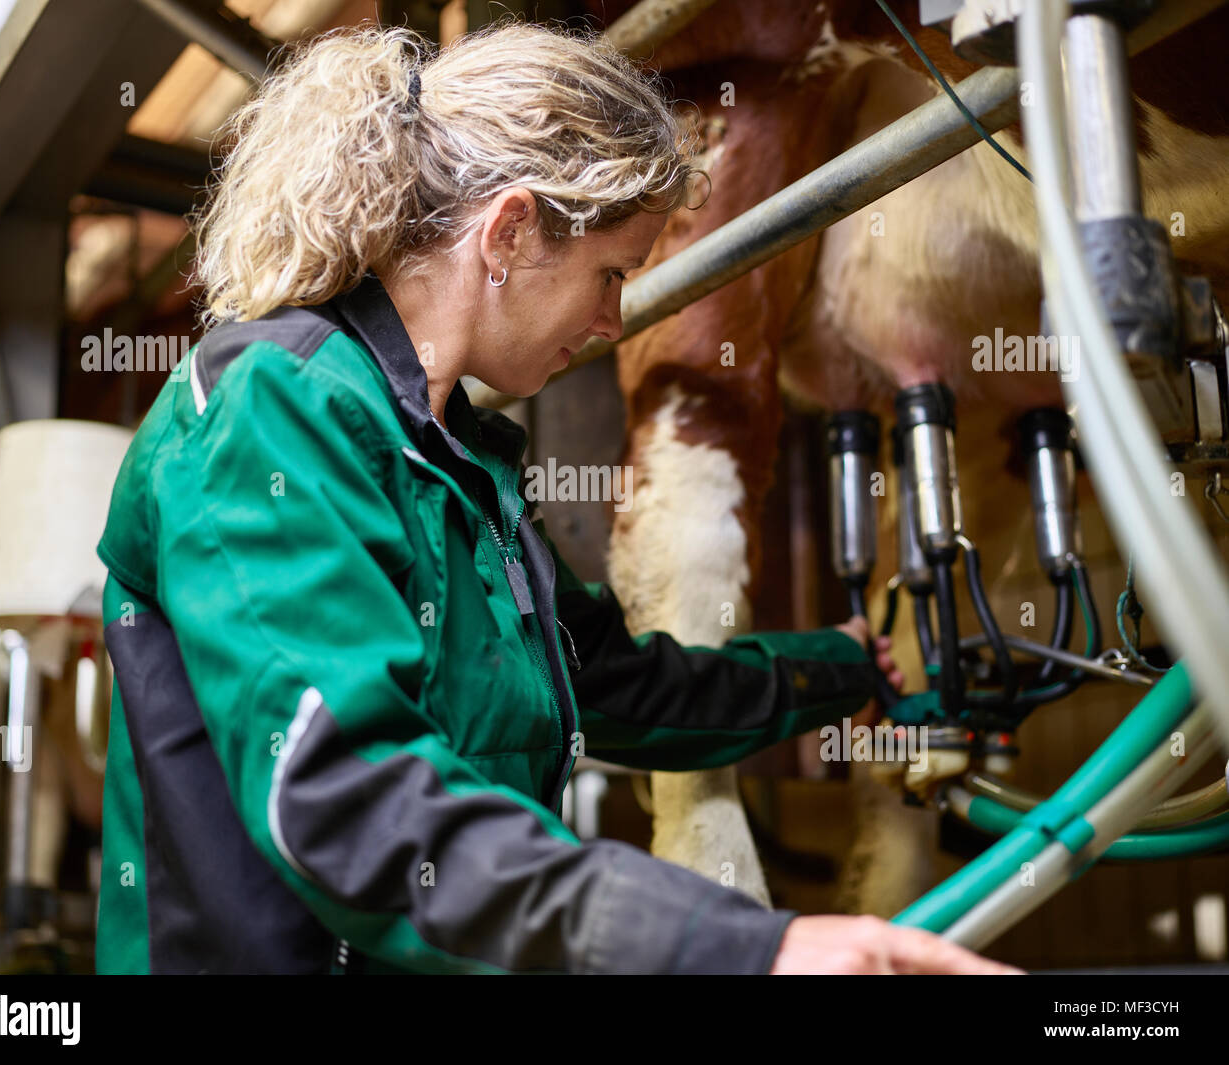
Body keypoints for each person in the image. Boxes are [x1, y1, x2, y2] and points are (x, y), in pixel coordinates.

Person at [94, 19, 1018, 975]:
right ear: (508, 231)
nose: (616, 318)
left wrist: (842, 671)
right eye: (611, 274)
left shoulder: (456, 453)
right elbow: (345, 799)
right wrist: (745, 948)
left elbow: (614, 679)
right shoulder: (269, 408)